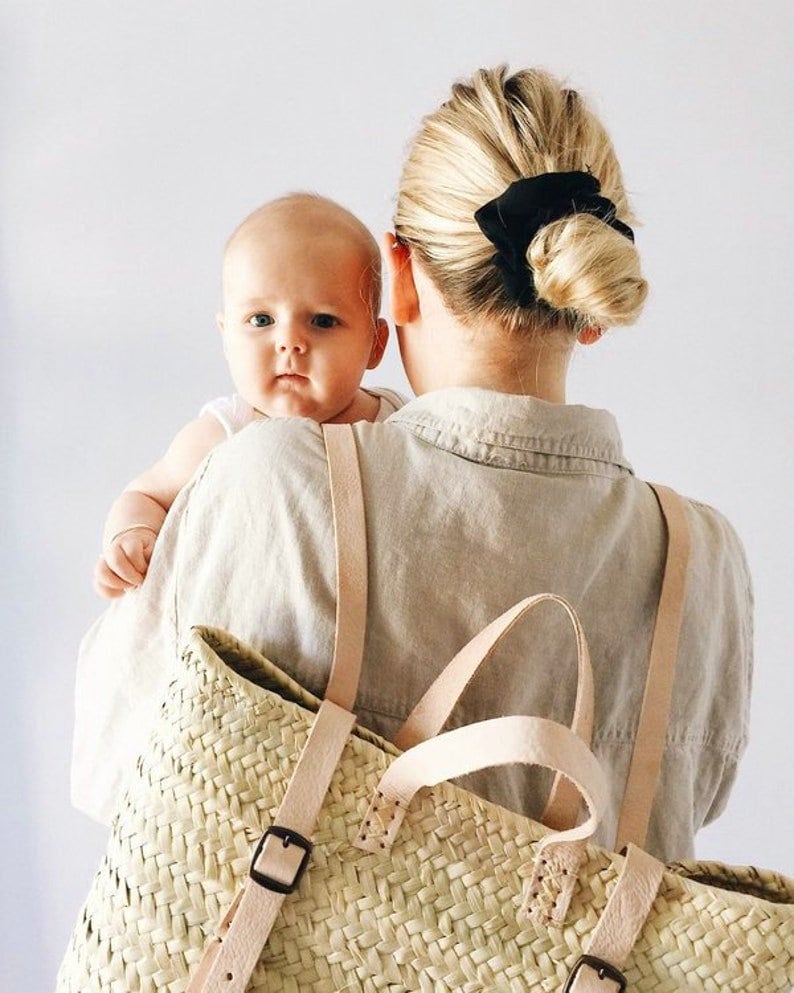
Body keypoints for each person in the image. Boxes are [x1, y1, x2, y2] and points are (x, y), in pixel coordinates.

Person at [72, 66, 752, 863]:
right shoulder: (701, 559)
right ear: (588, 309)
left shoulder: (276, 483)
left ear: (396, 277)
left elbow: (116, 770)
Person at [94, 193, 406, 599]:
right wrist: (132, 535)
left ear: (376, 344)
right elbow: (146, 494)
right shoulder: (224, 433)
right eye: (262, 320)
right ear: (226, 337)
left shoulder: (395, 424)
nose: (290, 341)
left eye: (323, 320)